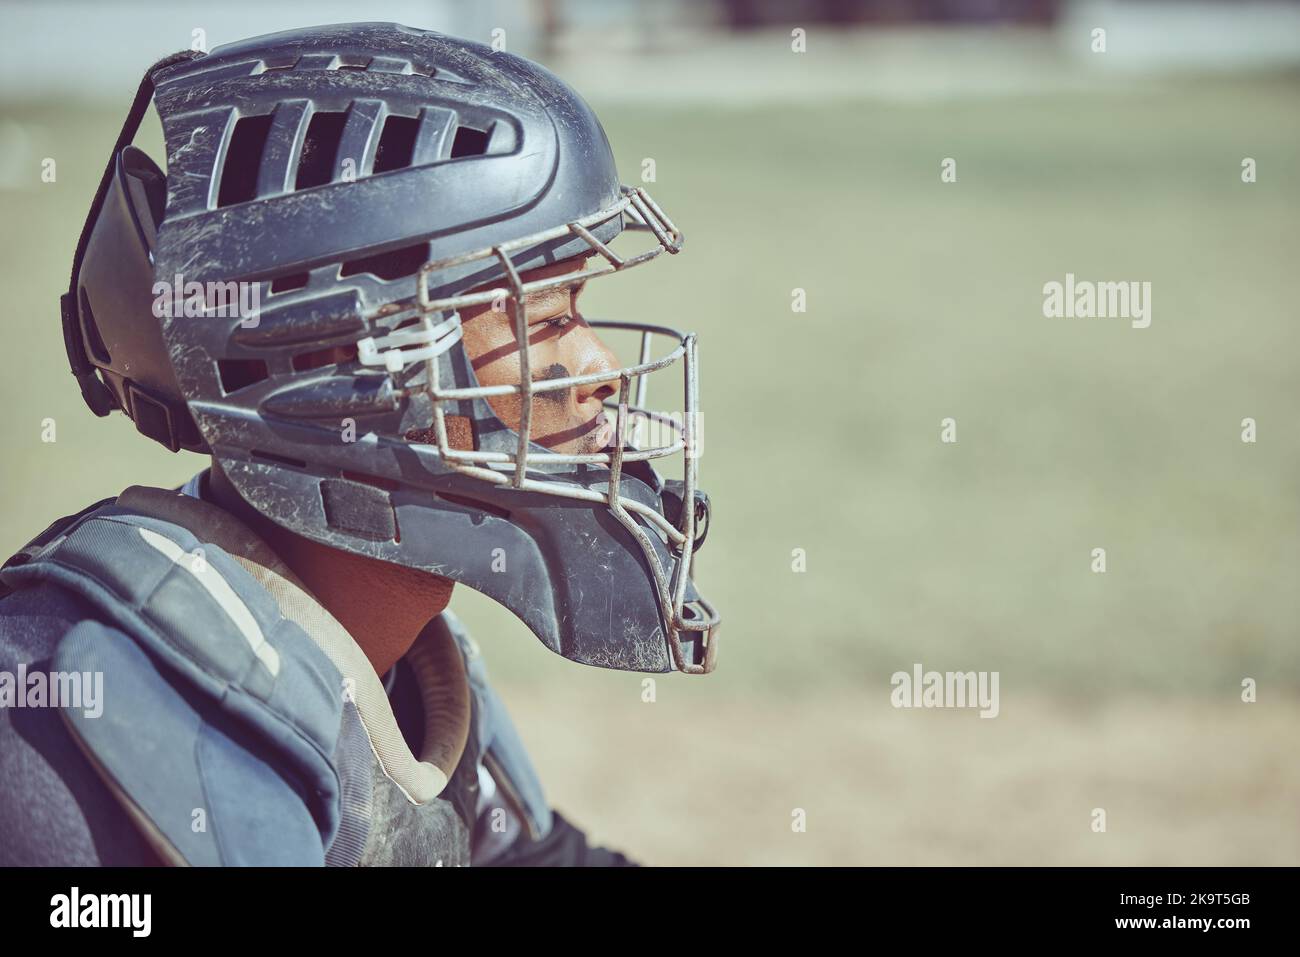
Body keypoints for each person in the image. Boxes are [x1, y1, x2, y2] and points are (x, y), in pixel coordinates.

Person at [0, 22, 719, 867]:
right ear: (342, 365)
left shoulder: (398, 675)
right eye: (549, 316)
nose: (600, 368)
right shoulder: (72, 732)